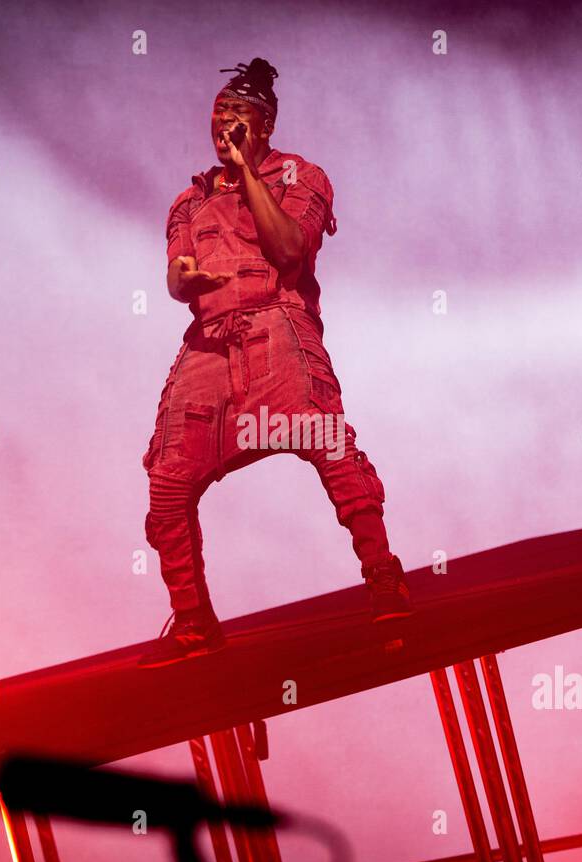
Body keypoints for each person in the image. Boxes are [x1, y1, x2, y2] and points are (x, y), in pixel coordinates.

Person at [138, 58, 412, 669]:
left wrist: (247, 175)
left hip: (275, 325)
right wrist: (187, 279)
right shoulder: (189, 199)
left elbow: (290, 249)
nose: (221, 123)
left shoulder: (301, 175)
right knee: (167, 479)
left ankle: (383, 577)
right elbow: (176, 278)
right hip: (209, 341)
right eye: (216, 113)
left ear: (262, 126)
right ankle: (193, 625)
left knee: (327, 442)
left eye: (235, 115)